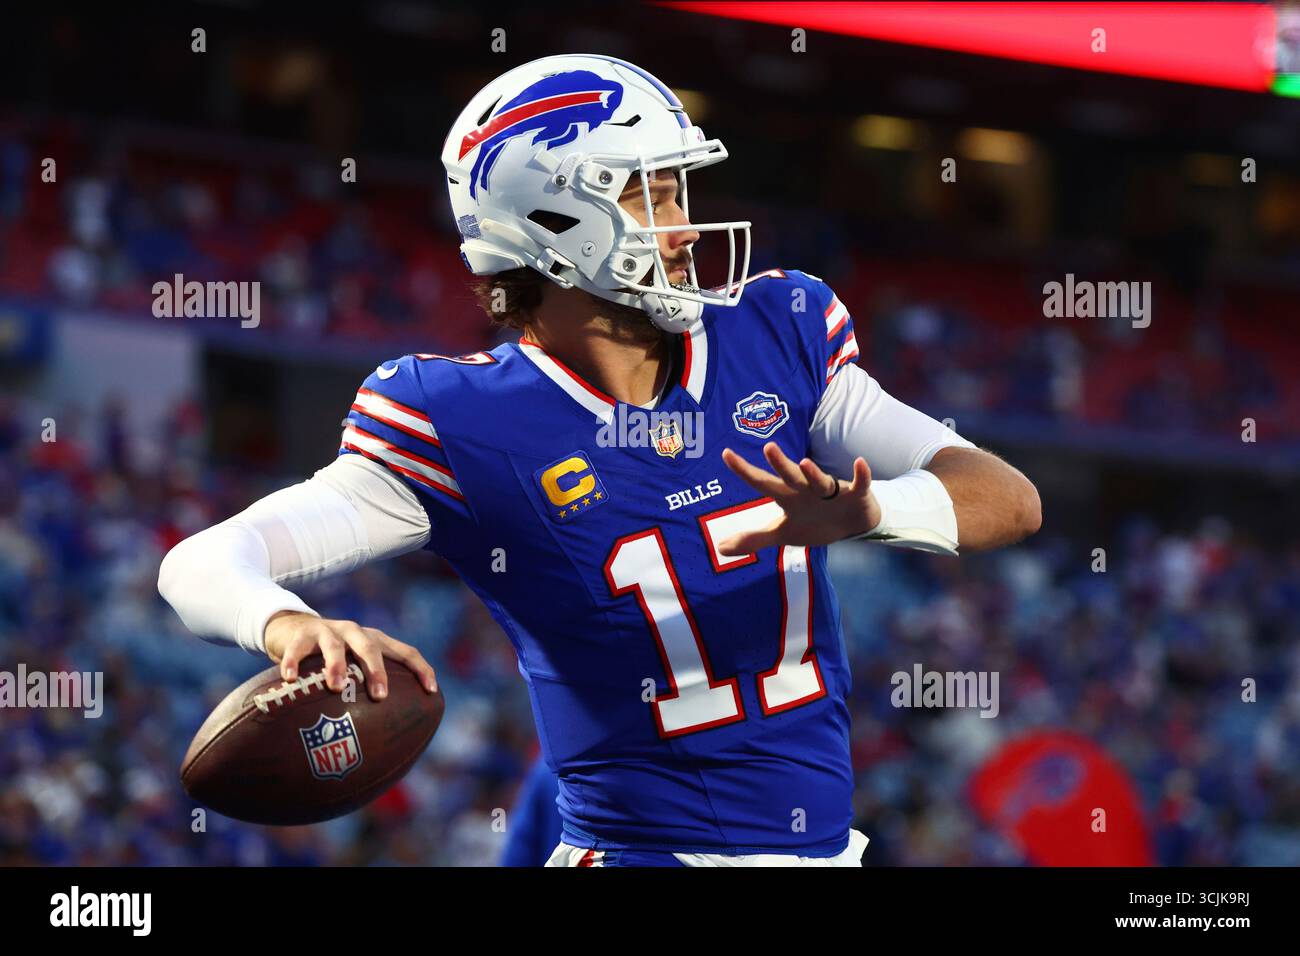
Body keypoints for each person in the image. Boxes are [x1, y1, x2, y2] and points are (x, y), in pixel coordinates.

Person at [159, 54, 1041, 867]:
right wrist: (286, 626)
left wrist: (874, 513)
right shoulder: (458, 417)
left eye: (678, 190)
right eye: (652, 195)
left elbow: (1006, 497)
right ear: (557, 221)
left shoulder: (778, 334)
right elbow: (198, 563)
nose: (686, 228)